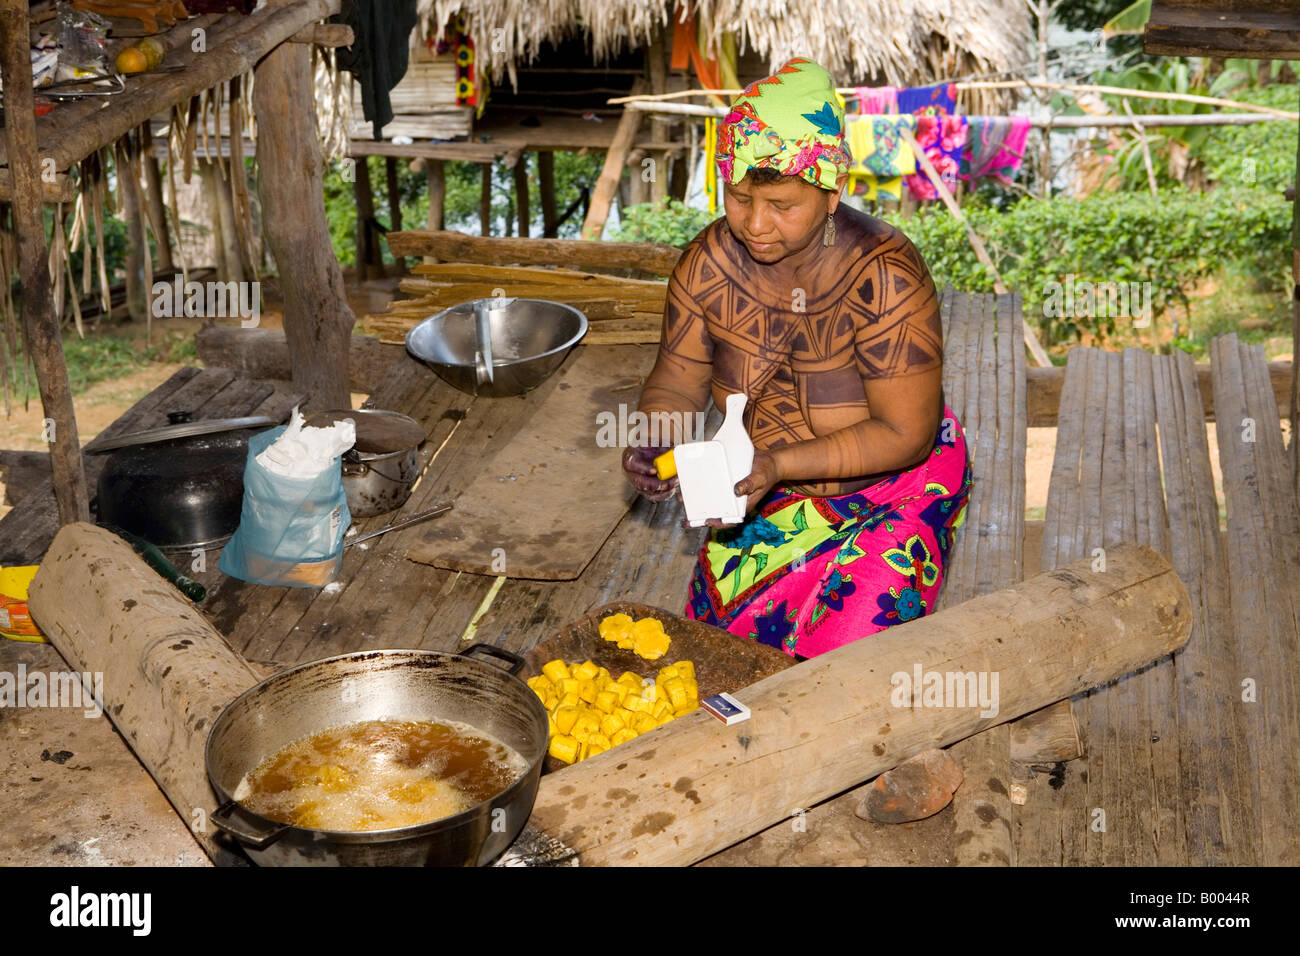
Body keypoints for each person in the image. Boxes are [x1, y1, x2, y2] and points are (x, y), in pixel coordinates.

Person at [622, 58, 971, 660]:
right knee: (715, 660)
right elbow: (676, 383)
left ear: (832, 192)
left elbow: (906, 433)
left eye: (783, 205)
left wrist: (779, 464)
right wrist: (660, 440)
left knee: (842, 670)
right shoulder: (707, 265)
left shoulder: (885, 275)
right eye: (738, 198)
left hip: (893, 489)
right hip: (762, 486)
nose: (756, 225)